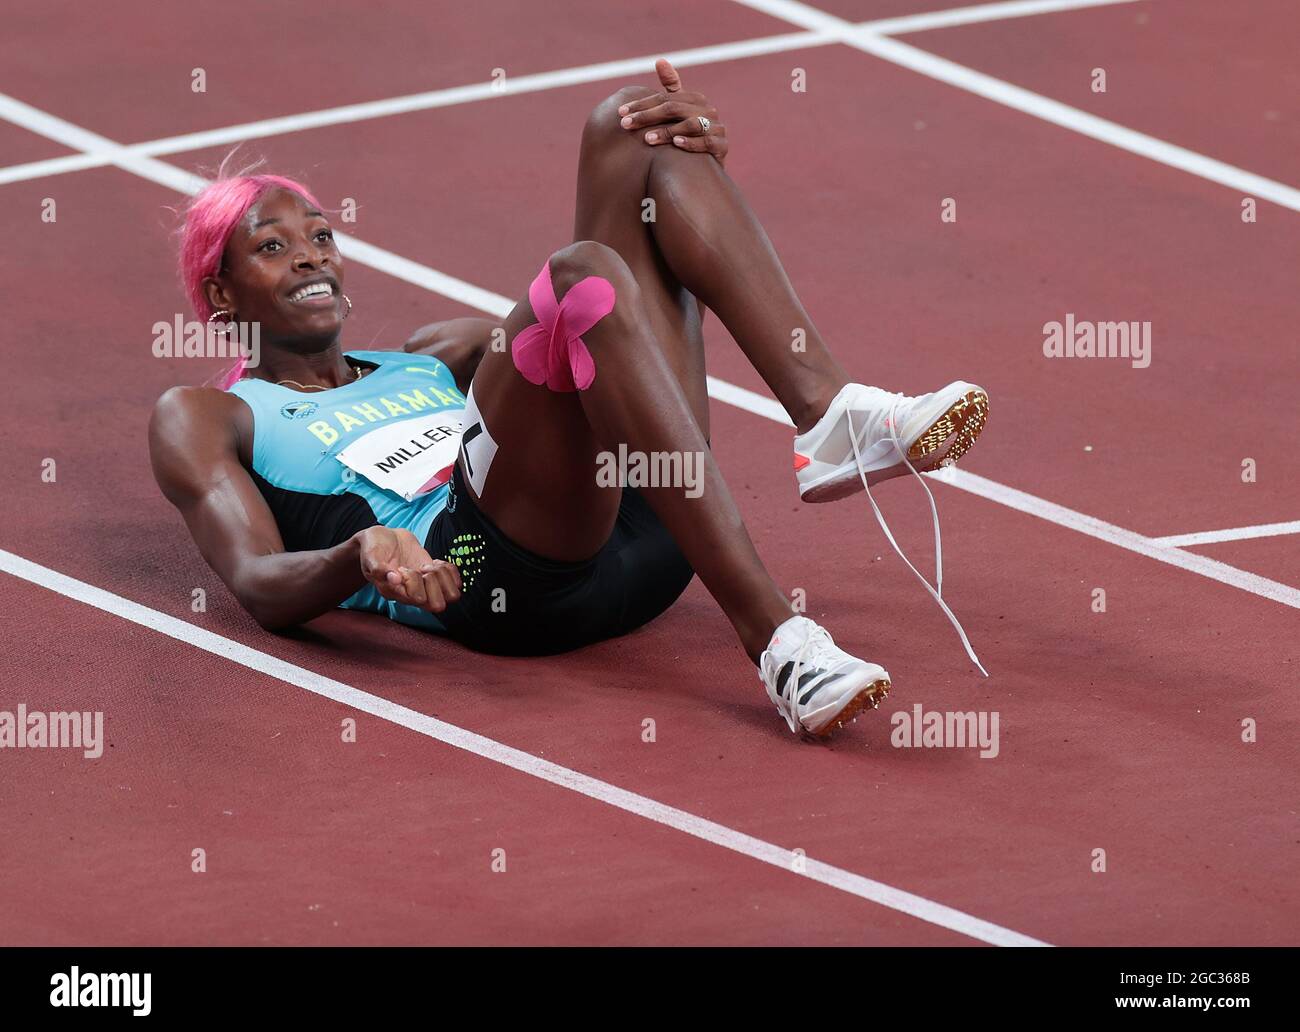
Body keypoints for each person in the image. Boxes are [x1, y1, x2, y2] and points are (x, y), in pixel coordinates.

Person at [149, 60, 988, 737]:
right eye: (272, 247)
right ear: (221, 299)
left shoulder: (431, 357)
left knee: (633, 129)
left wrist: (697, 179)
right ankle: (781, 643)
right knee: (576, 277)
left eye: (322, 237)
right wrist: (356, 553)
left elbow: (614, 321)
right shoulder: (209, 416)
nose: (311, 259)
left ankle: (830, 415)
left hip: (650, 524)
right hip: (487, 577)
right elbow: (256, 581)